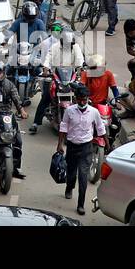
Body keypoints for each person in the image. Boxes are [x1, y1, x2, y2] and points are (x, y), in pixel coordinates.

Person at [56, 84, 106, 215]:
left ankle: (80, 204)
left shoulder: (94, 112)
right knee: (71, 172)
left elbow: (101, 128)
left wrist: (108, 144)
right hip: (72, 146)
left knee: (83, 176)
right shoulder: (69, 111)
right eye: (79, 99)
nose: (82, 102)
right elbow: (63, 127)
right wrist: (60, 144)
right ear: (76, 99)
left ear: (88, 99)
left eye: (84, 99)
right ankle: (69, 187)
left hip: (86, 147)